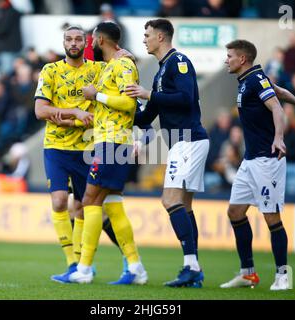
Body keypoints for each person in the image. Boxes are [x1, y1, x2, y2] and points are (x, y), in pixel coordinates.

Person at [34, 25, 130, 283]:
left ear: (87, 43)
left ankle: (106, 262)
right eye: (69, 39)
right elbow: (41, 111)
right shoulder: (50, 70)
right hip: (56, 147)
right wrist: (75, 114)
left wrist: (125, 54)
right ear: (63, 42)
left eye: (78, 39)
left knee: (85, 207)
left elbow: (123, 71)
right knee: (59, 202)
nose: (73, 43)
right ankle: (72, 263)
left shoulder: (98, 69)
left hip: (88, 148)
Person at [125, 18, 209, 288]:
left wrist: (149, 94)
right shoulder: (162, 71)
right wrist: (118, 105)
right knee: (184, 206)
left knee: (169, 200)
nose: (144, 39)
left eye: (147, 34)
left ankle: (191, 267)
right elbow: (147, 116)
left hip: (187, 139)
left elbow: (186, 98)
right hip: (181, 142)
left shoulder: (178, 62)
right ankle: (192, 269)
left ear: (161, 37)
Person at [69, 21, 148, 285]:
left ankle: (84, 268)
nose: (90, 43)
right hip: (108, 140)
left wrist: (97, 96)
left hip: (114, 143)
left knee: (89, 200)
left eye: (92, 39)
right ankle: (135, 267)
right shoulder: (114, 64)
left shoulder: (124, 65)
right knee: (113, 205)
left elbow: (129, 103)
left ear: (99, 39)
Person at [220, 39, 291, 291]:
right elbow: (280, 93)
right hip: (250, 161)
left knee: (271, 217)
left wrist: (279, 137)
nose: (226, 59)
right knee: (235, 212)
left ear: (242, 59)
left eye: (229, 55)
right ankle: (248, 273)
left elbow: (277, 108)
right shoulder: (248, 80)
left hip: (267, 160)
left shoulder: (255, 79)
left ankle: (283, 275)